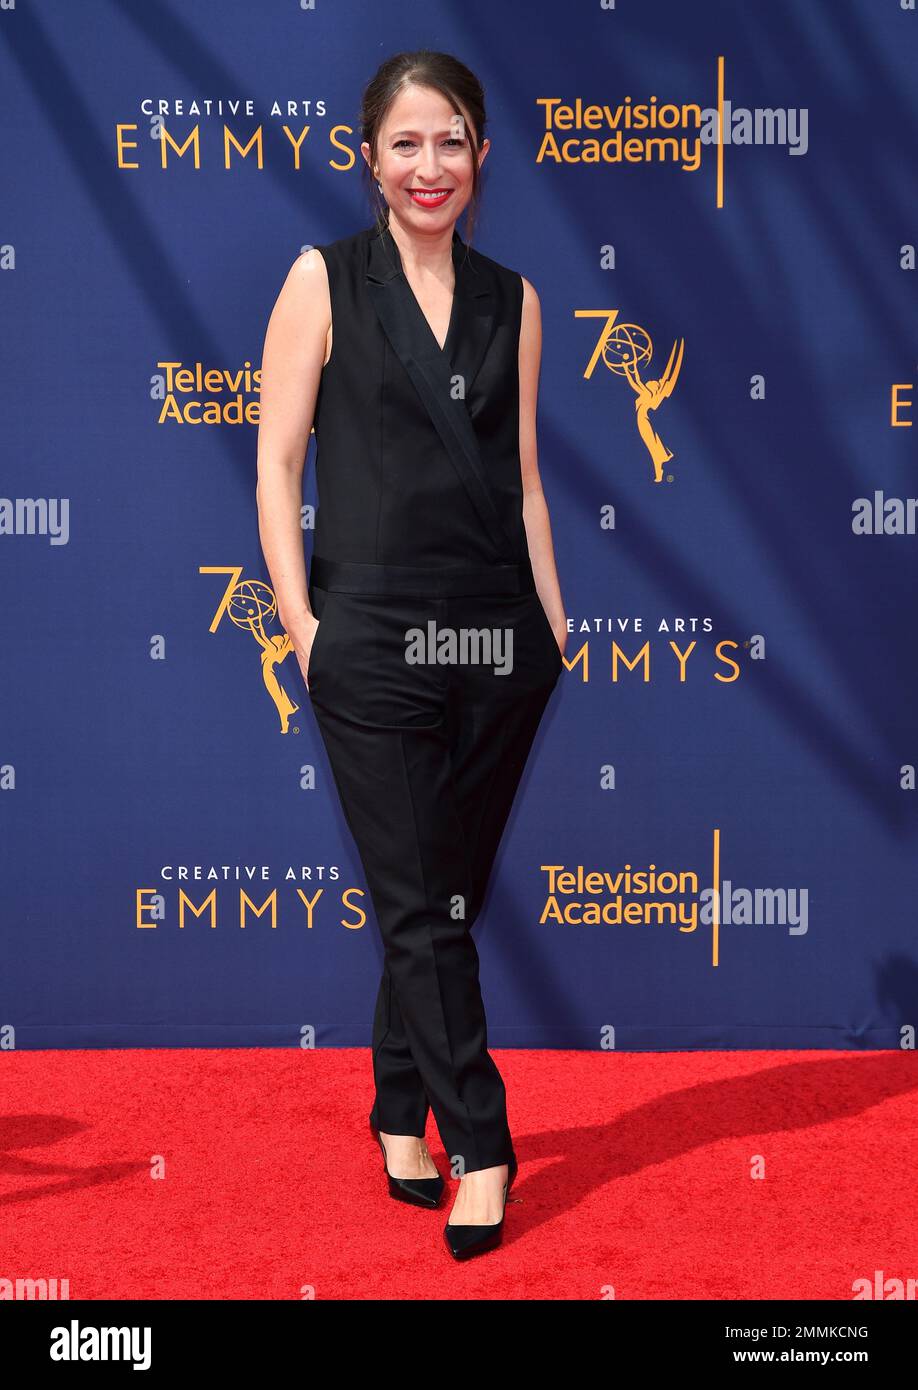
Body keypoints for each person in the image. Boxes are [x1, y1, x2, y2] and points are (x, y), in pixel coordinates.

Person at [256, 49, 566, 1260]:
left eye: (450, 141)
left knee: (439, 896)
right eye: (406, 143)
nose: (428, 165)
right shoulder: (321, 280)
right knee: (422, 905)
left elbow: (526, 479)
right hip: (370, 629)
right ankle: (481, 1143)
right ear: (368, 157)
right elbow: (280, 462)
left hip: (501, 633)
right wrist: (302, 623)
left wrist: (554, 621)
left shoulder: (516, 299)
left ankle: (396, 1106)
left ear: (480, 156)